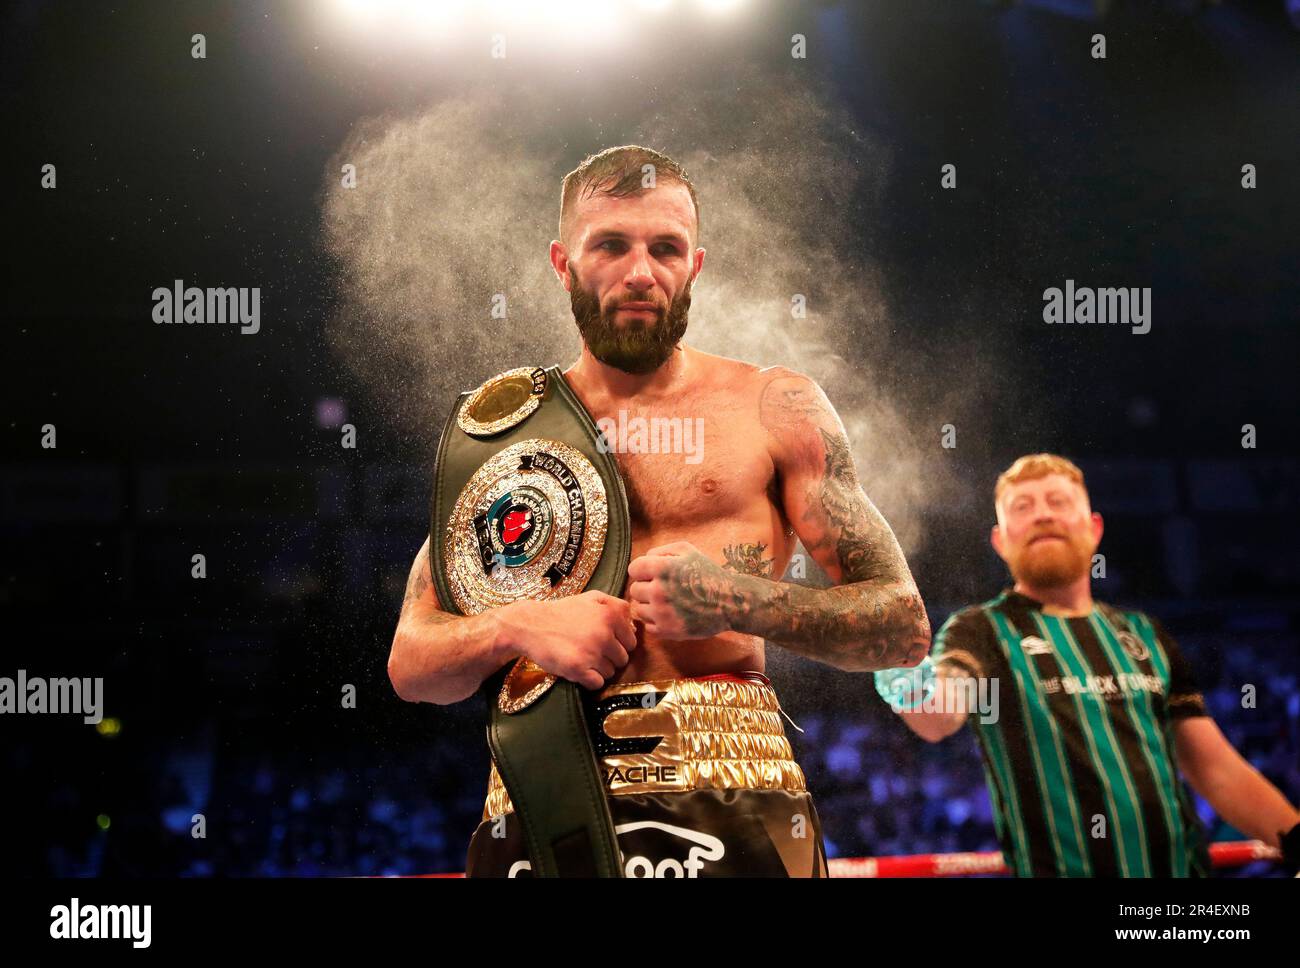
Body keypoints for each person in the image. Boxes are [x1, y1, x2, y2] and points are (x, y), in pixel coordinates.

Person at [387, 144, 930, 876]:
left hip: (732, 787)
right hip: (542, 795)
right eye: (610, 244)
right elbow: (413, 663)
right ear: (563, 263)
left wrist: (743, 601)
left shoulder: (776, 406)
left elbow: (901, 627)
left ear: (694, 266)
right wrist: (517, 625)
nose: (641, 272)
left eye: (665, 248)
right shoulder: (506, 432)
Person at [886, 453, 1300, 877]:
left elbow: (1215, 770)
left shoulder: (1144, 634)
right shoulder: (982, 631)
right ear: (1000, 540)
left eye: (1058, 502)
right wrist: (897, 665)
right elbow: (938, 716)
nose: (1043, 515)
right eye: (1023, 507)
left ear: (1094, 527)